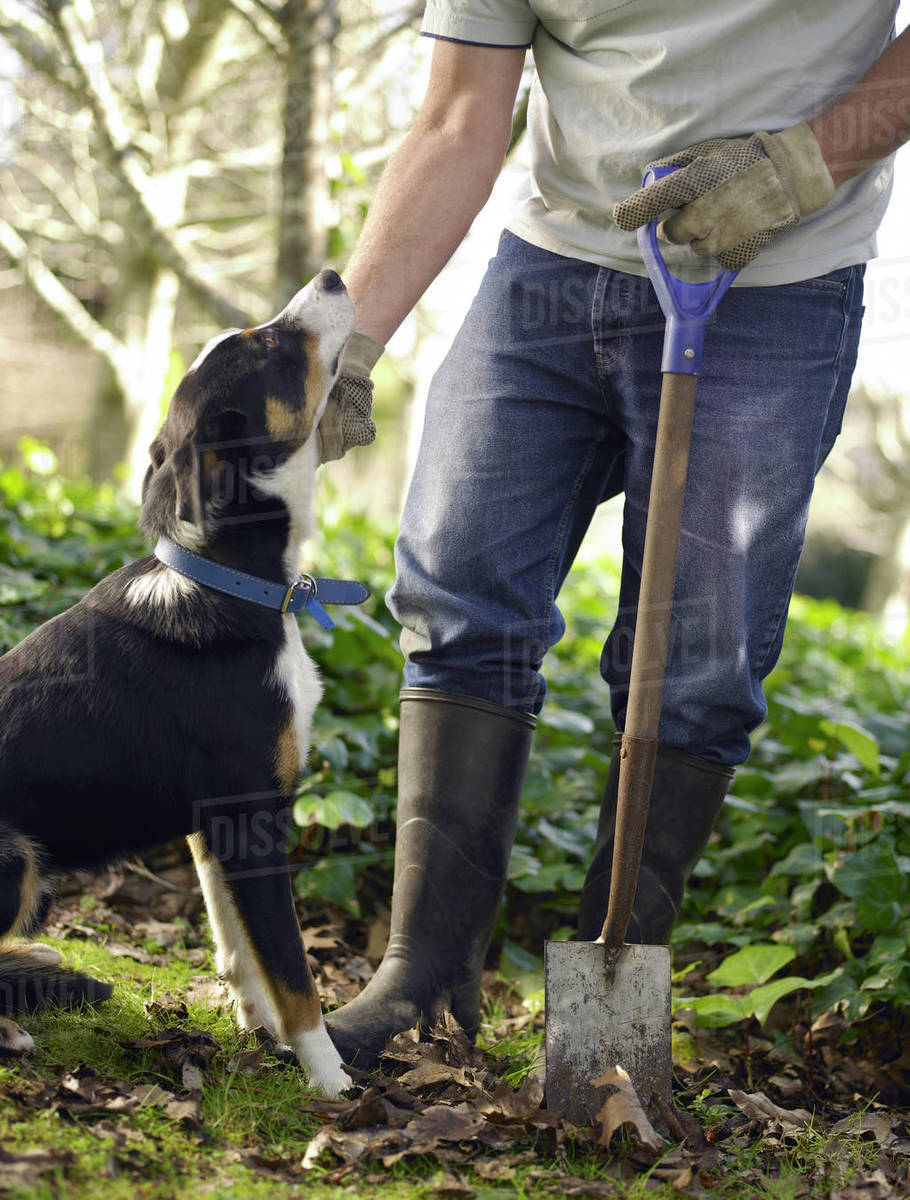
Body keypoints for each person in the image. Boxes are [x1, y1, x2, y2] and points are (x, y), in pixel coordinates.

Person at [317, 1, 910, 1067]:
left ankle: (605, 1006)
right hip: (548, 262)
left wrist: (800, 167)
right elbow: (458, 118)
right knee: (458, 585)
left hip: (774, 286)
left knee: (696, 660)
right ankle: (422, 979)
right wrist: (347, 336)